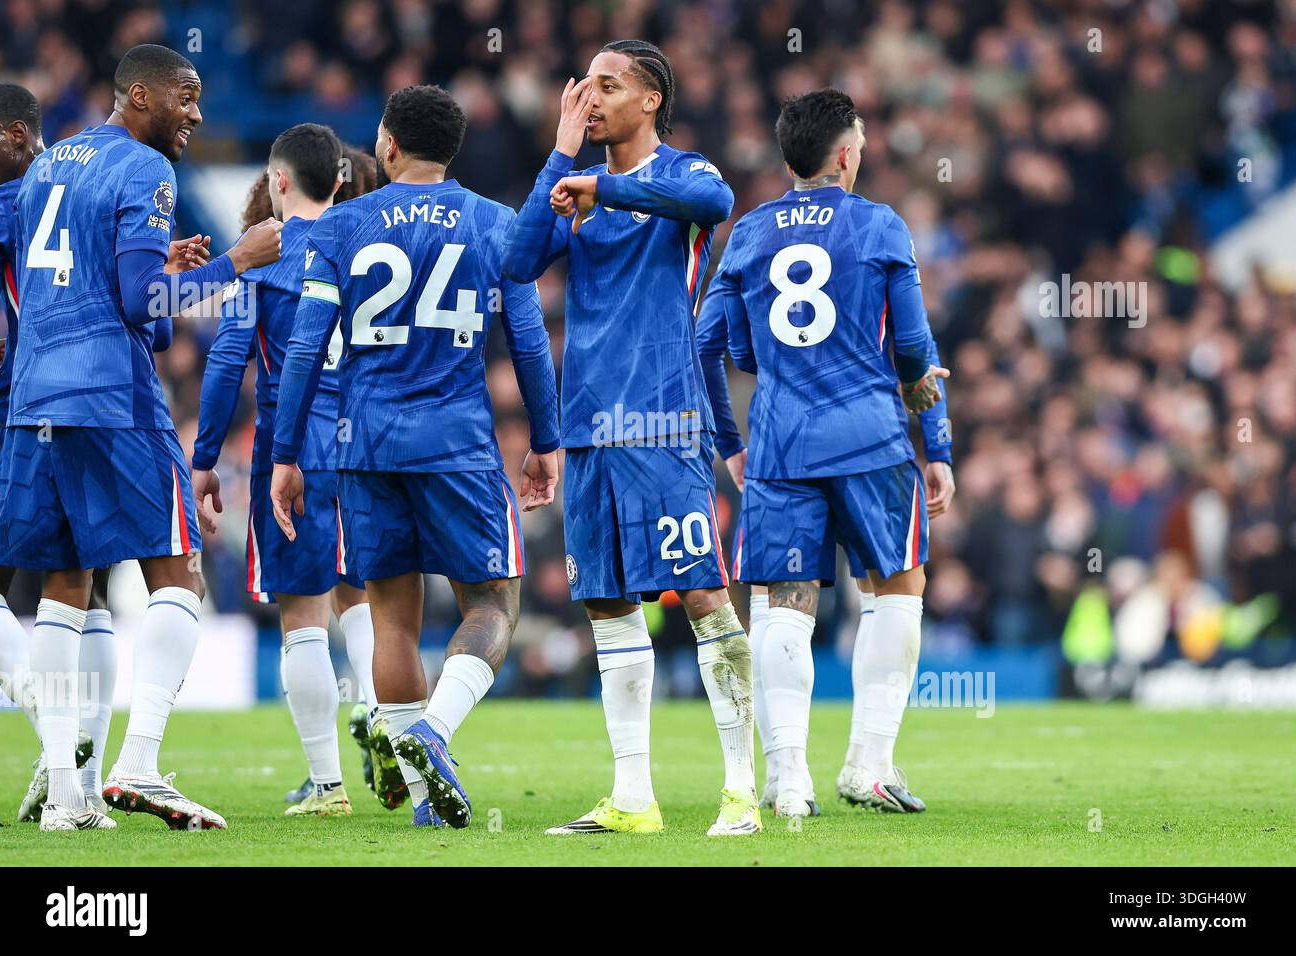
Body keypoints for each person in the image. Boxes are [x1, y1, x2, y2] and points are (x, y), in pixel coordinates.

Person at [0, 44, 281, 831]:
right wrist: (235, 259)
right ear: (143, 95)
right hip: (111, 397)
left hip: (34, 399)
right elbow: (139, 303)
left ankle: (65, 797)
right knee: (178, 575)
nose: (197, 113)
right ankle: (139, 766)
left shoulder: (51, 163)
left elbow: (87, 276)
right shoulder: (146, 170)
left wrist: (163, 266)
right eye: (187, 97)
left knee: (63, 586)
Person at [270, 84, 560, 830]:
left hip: (363, 445)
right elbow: (526, 341)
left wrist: (286, 452)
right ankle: (436, 731)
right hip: (457, 443)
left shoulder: (341, 226)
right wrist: (545, 439)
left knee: (392, 621)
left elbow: (304, 347)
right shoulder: (495, 224)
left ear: (388, 146)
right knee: (493, 603)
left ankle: (428, 799)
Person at [505, 40, 762, 837]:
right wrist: (562, 153)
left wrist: (604, 185)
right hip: (588, 426)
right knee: (608, 605)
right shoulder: (575, 186)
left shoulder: (686, 174)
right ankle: (631, 797)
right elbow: (515, 261)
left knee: (704, 598)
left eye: (609, 87)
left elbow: (716, 207)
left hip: (663, 421)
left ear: (651, 100)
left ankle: (742, 793)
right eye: (584, 86)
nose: (593, 98)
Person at [705, 88, 948, 816]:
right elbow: (911, 346)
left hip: (780, 439)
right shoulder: (879, 225)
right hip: (871, 436)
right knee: (898, 587)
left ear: (789, 158)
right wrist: (933, 439)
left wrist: (730, 443)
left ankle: (786, 779)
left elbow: (713, 343)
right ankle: (869, 765)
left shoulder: (748, 232)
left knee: (783, 607)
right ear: (845, 155)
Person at [192, 123, 380, 818]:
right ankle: (384, 720)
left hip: (291, 452)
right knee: (364, 596)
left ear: (275, 181)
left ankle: (328, 784)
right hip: (370, 447)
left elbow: (225, 361)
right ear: (340, 182)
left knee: (302, 615)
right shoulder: (371, 246)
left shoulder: (263, 258)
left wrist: (206, 456)